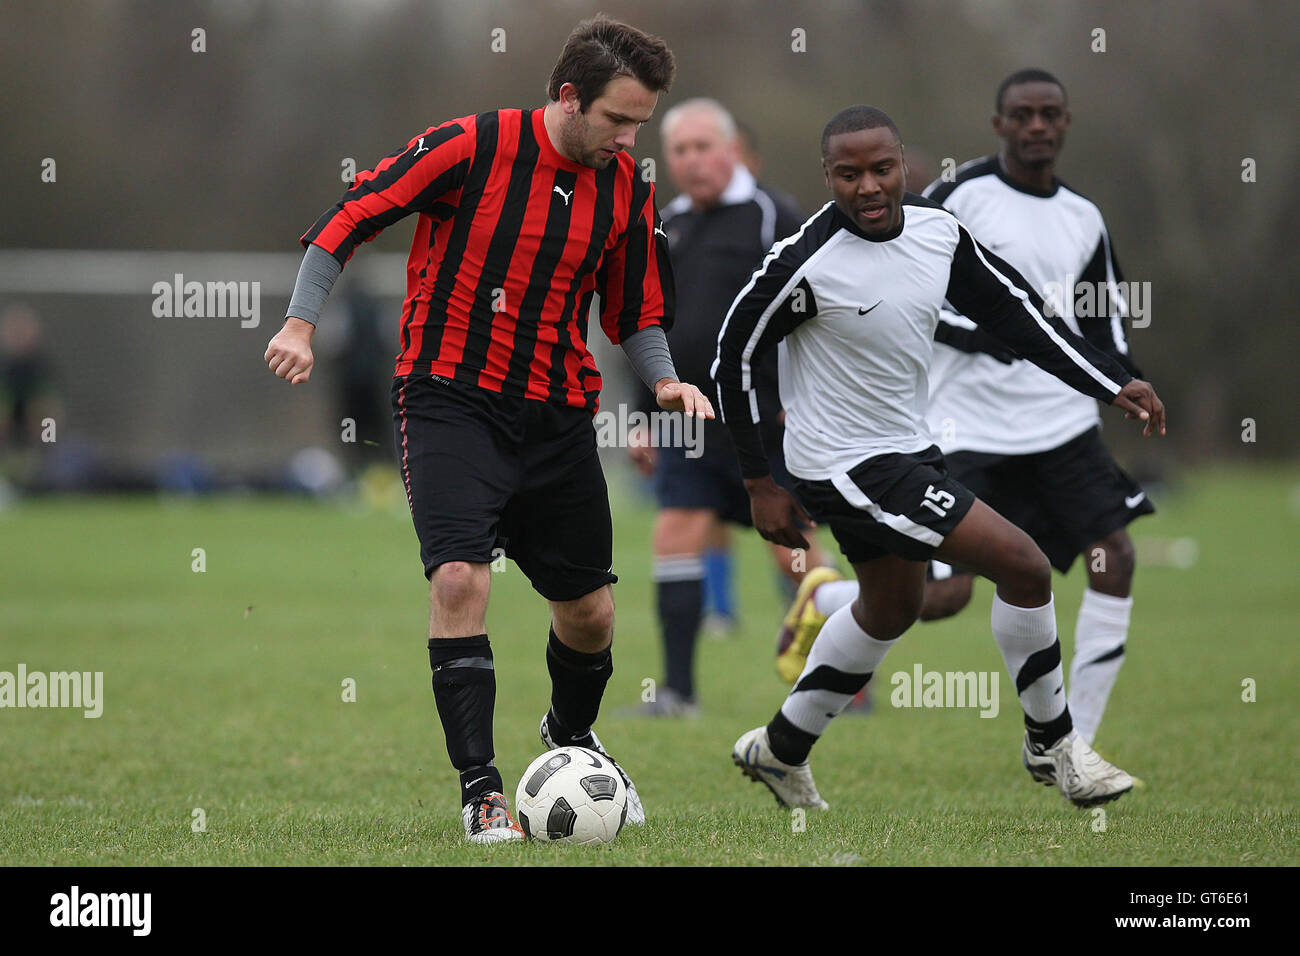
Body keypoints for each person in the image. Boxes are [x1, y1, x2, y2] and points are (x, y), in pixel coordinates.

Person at [263, 16, 714, 843]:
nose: (628, 138)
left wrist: (666, 381)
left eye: (640, 124)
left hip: (557, 414)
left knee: (592, 617)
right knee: (461, 582)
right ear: (569, 97)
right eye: (617, 120)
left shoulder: (626, 188)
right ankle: (482, 792)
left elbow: (635, 311)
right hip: (450, 401)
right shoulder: (470, 146)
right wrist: (300, 323)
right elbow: (350, 216)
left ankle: (571, 743)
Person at [714, 105, 1165, 810]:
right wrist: (758, 480)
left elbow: (1019, 315)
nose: (868, 186)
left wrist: (1111, 381)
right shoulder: (805, 262)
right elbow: (733, 356)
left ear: (902, 164)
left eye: (881, 169)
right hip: (839, 462)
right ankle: (1055, 744)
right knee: (1021, 561)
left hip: (907, 447)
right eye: (849, 173)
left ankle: (781, 748)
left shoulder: (937, 231)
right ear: (827, 176)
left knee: (894, 607)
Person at [624, 97, 832, 717]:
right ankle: (679, 693)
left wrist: (806, 400)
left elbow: (816, 316)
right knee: (675, 534)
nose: (691, 161)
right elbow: (646, 322)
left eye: (702, 147)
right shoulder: (666, 224)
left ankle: (848, 680)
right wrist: (642, 416)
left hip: (766, 421)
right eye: (679, 151)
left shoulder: (775, 216)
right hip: (687, 419)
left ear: (731, 149)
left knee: (793, 550)